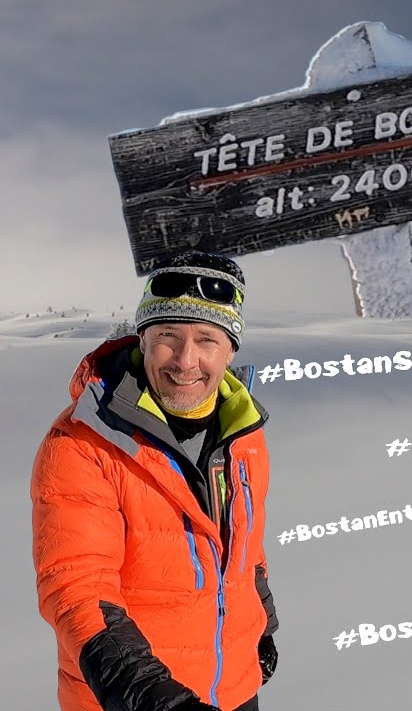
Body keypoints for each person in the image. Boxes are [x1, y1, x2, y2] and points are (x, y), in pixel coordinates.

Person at [31, 251, 278, 711]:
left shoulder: (243, 433)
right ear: (142, 340)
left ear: (230, 350)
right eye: (168, 336)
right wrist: (148, 694)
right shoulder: (83, 444)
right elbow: (77, 588)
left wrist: (263, 623)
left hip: (234, 688)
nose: (186, 360)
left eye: (207, 339)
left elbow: (244, 544)